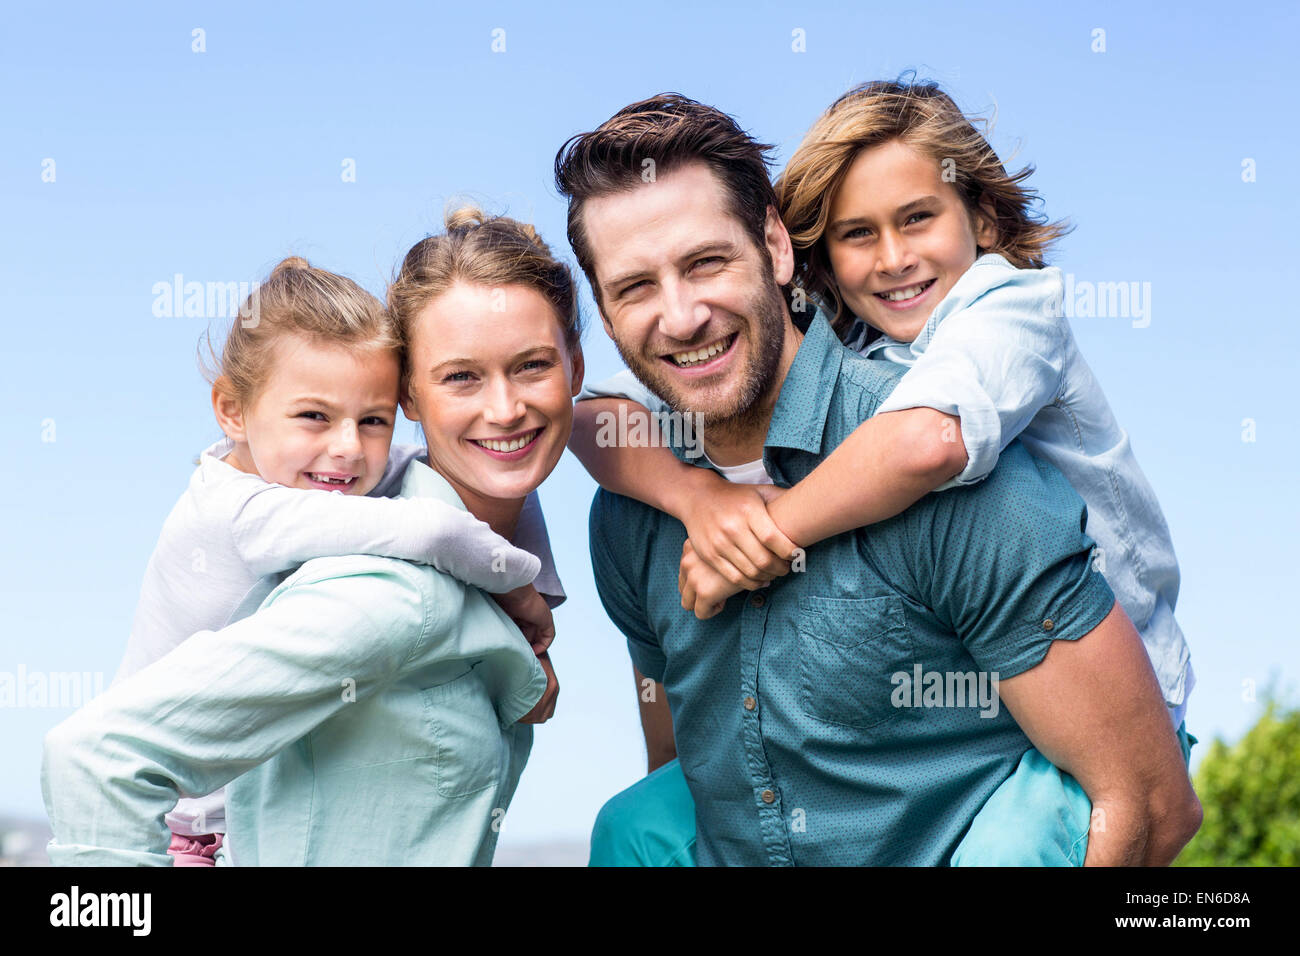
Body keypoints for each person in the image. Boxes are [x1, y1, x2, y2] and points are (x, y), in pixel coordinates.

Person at [557, 93, 1201, 866]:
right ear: (601, 306)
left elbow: (1152, 804)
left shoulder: (951, 450)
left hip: (1127, 695)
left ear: (774, 243)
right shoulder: (633, 513)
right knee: (634, 828)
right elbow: (681, 761)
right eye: (634, 287)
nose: (683, 315)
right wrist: (695, 496)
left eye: (707, 262)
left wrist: (776, 523)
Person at [42, 206, 583, 865]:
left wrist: (525, 629)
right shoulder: (275, 526)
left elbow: (488, 512)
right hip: (189, 829)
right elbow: (440, 532)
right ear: (233, 411)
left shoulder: (375, 496)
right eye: (462, 375)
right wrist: (517, 590)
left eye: (372, 421)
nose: (347, 451)